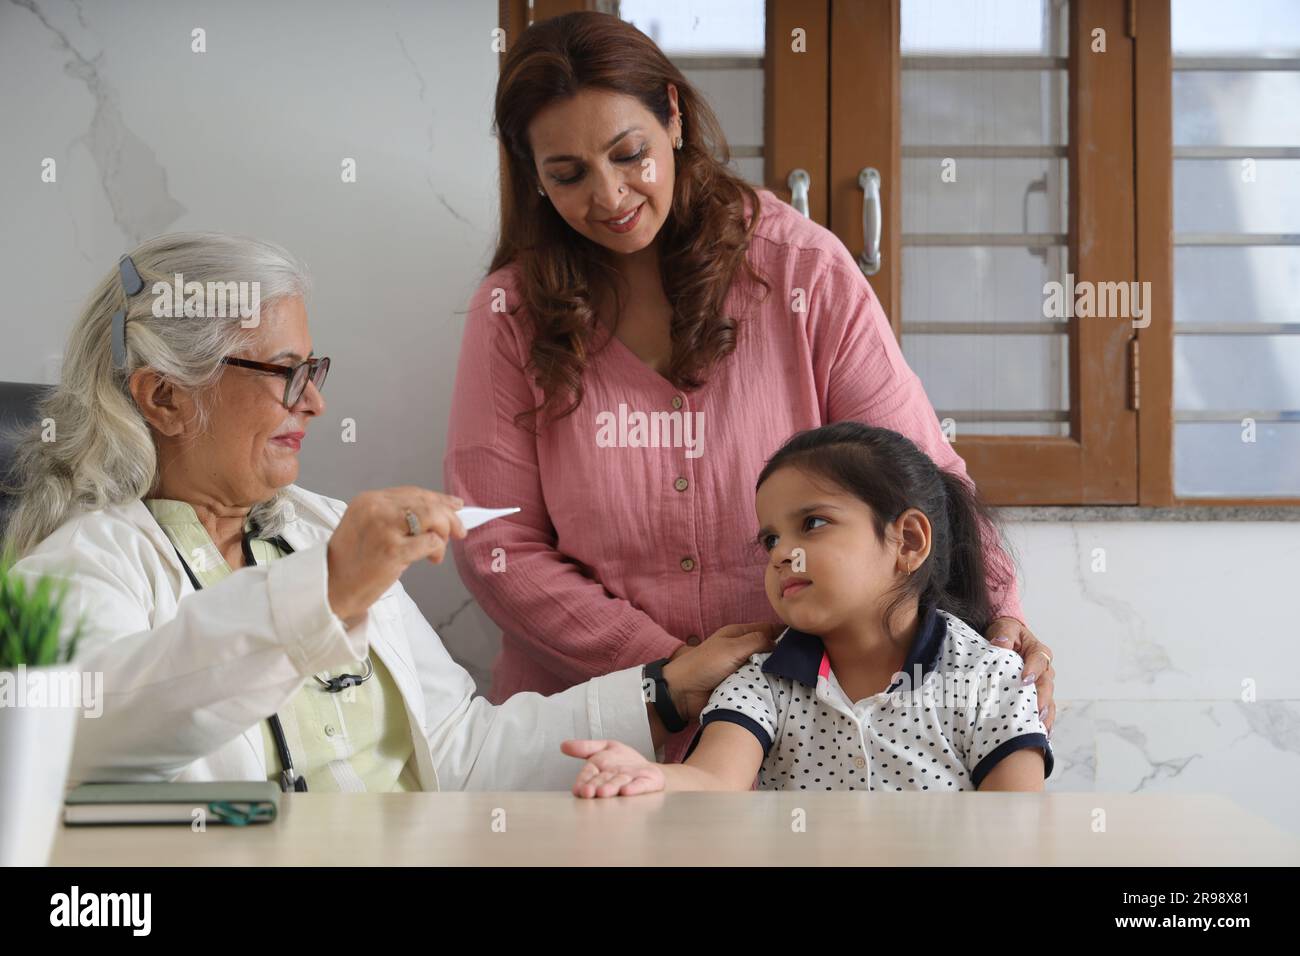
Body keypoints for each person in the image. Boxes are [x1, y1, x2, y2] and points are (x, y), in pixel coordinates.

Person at [446, 11, 1056, 765]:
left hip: (807, 733)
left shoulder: (802, 271)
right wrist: (669, 669)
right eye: (568, 174)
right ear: (531, 173)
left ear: (673, 116)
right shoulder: (512, 315)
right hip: (588, 724)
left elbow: (925, 480)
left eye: (628, 154)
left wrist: (1001, 622)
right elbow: (494, 539)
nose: (607, 195)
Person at [3, 232, 772, 791]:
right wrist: (331, 589)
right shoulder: (70, 569)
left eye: (315, 368)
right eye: (285, 371)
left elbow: (461, 752)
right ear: (166, 397)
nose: (315, 400)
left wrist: (664, 689)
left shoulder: (319, 529)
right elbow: (83, 735)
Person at [564, 423, 1053, 795]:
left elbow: (1016, 829)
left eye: (813, 523)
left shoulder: (991, 678)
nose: (781, 553)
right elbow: (712, 780)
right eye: (771, 538)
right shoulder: (761, 680)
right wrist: (652, 777)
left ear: (907, 540)